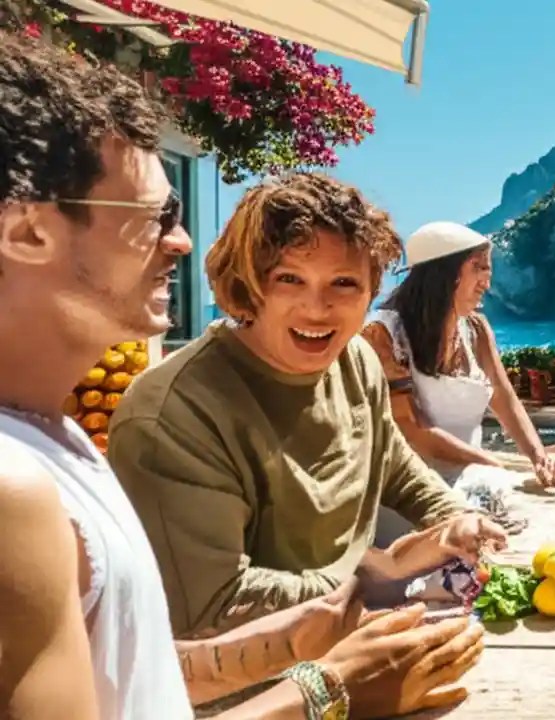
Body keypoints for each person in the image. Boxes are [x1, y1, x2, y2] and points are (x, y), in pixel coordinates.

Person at [0, 32, 483, 720]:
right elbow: (197, 619)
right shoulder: (16, 487)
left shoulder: (58, 446)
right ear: (27, 233)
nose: (183, 239)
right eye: (153, 214)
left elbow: (137, 668)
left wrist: (358, 609)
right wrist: (326, 688)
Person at [108, 173, 507, 639]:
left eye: (343, 283)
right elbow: (206, 607)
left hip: (345, 623)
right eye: (289, 279)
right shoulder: (176, 414)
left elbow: (392, 462)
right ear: (246, 284)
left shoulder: (354, 359)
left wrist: (452, 519)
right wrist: (378, 573)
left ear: (370, 292)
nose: (317, 309)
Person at [363, 221, 555, 486]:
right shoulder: (383, 335)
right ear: (442, 273)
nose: (486, 283)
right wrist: (494, 465)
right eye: (478, 268)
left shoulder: (476, 329)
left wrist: (539, 457)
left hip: (471, 477)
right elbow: (411, 429)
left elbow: (504, 398)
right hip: (407, 492)